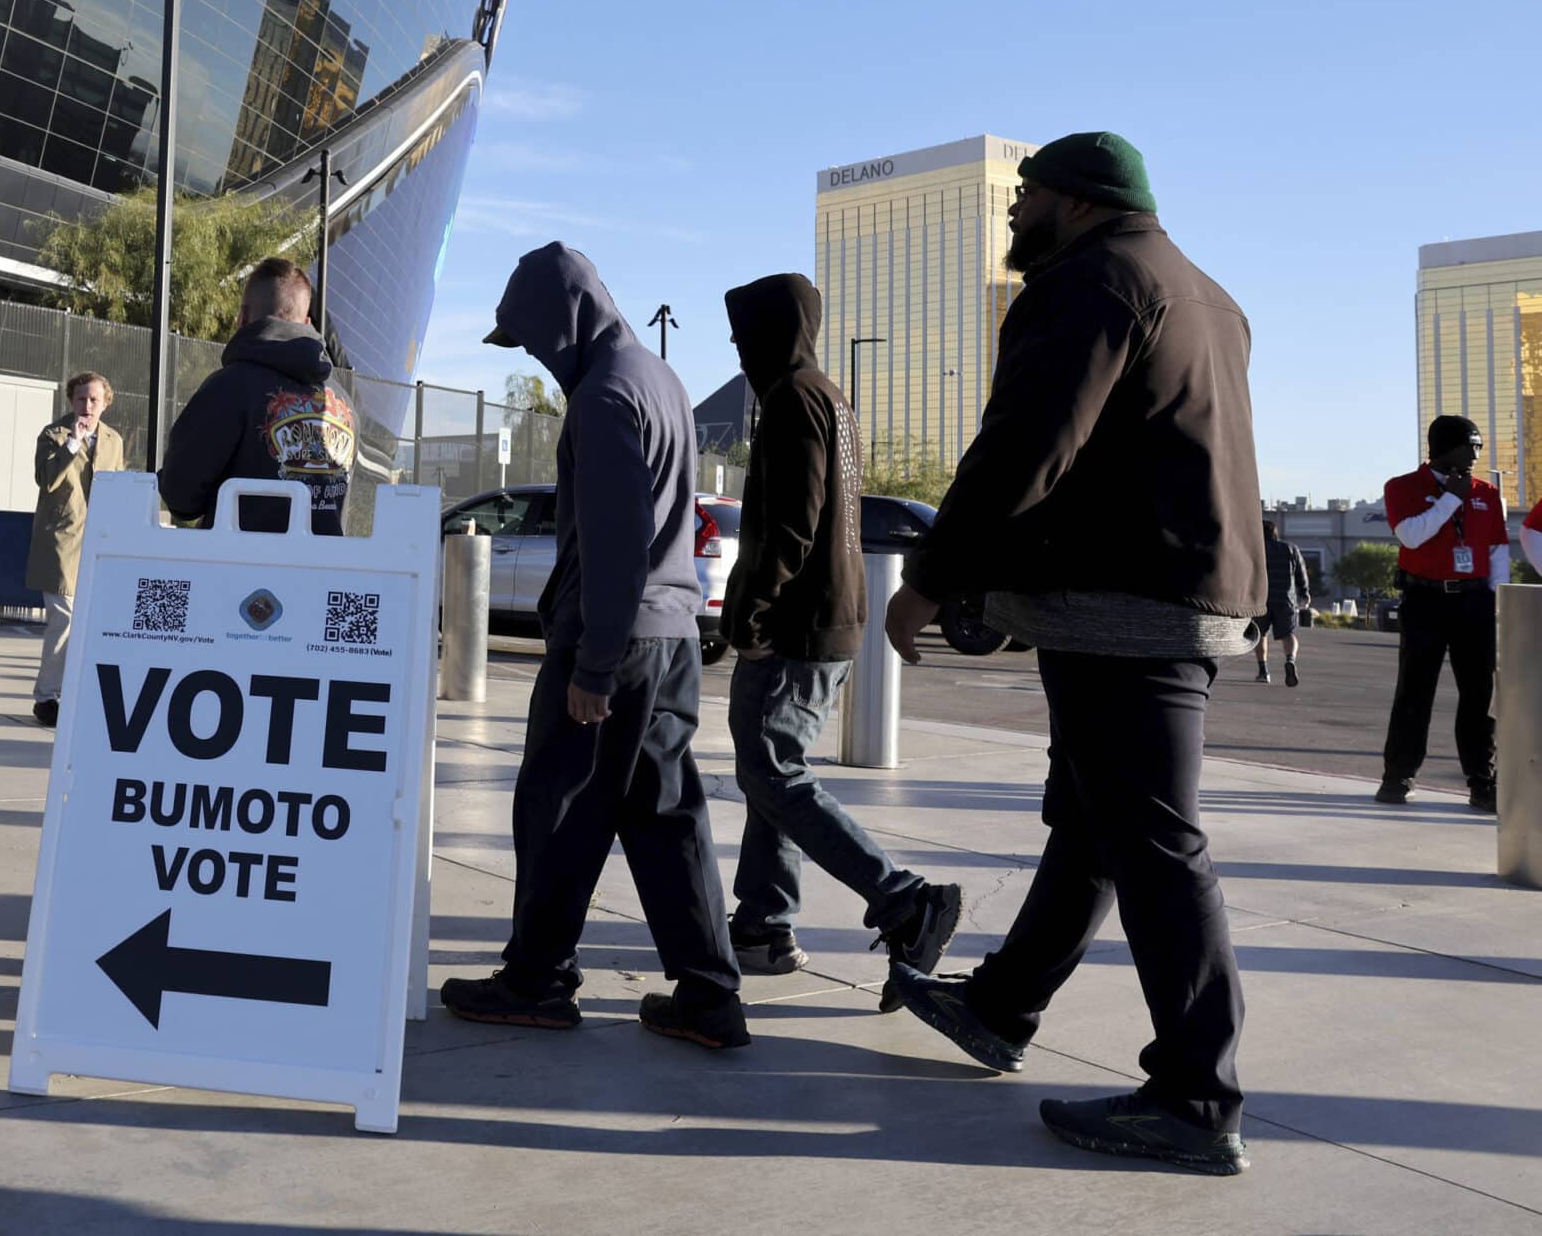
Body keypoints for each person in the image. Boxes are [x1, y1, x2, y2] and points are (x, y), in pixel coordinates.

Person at [881, 132, 1260, 1177]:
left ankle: (1196, 1095)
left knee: (1151, 838)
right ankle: (1001, 1005)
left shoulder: (1091, 281)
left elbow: (1028, 444)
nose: (1013, 210)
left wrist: (932, 576)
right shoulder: (1204, 292)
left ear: (1079, 201)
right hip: (1182, 585)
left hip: (1124, 598)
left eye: (1025, 193)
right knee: (1094, 818)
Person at [440, 243, 744, 1048]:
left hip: (617, 640)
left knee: (559, 809)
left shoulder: (605, 397)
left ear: (564, 319)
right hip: (674, 639)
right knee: (667, 816)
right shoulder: (659, 379)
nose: (535, 356)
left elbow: (616, 543)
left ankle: (536, 982)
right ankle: (711, 995)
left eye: (532, 337)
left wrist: (594, 666)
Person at [717, 272, 962, 987]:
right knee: (774, 773)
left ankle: (904, 901)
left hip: (794, 625)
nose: (737, 351)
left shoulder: (794, 399)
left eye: (742, 336)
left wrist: (753, 614)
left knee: (772, 772)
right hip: (830, 619)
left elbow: (793, 521)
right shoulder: (831, 397)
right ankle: (762, 925)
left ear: (772, 332)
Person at [158, 259, 355, 535]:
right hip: (321, 574)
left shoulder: (228, 388)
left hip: (237, 571)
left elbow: (181, 497)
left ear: (243, 317)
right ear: (307, 322)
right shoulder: (343, 403)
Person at [1375, 416, 1506, 813]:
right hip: (1425, 601)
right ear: (1444, 447)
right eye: (1471, 445)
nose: (1477, 454)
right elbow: (1411, 536)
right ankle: (1398, 777)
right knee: (1415, 690)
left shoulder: (1487, 493)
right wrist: (1451, 498)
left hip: (1475, 603)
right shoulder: (1402, 487)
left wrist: (1499, 607)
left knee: (1479, 696)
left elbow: (1498, 552)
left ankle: (1482, 782)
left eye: (1480, 447)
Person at [27, 370, 124, 728]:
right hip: (61, 542)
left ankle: (77, 693)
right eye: (81, 399)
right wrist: (73, 445)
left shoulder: (113, 440)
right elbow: (46, 479)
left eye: (93, 399)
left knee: (88, 623)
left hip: (98, 542)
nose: (87, 406)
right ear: (71, 401)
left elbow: (117, 484)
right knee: (63, 619)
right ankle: (46, 697)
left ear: (105, 403)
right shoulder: (54, 435)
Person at [1251, 519, 1311, 686]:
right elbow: (1301, 573)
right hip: (1286, 599)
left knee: (1260, 634)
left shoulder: (1256, 550)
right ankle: (1290, 659)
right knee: (1288, 634)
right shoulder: (1291, 549)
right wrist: (1304, 593)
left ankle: (1263, 672)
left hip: (1261, 600)